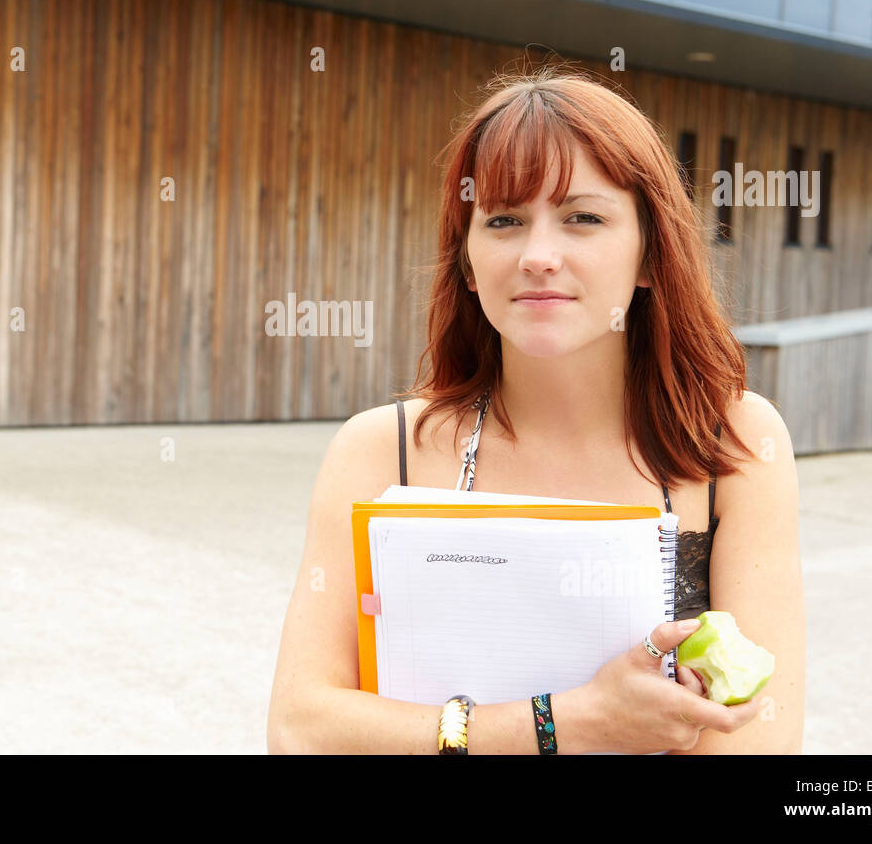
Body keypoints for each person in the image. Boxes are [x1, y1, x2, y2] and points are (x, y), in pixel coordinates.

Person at [266, 65, 806, 754]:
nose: (539, 256)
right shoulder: (380, 449)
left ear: (650, 253)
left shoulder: (733, 442)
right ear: (465, 261)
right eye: (503, 220)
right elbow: (299, 728)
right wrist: (565, 722)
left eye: (583, 217)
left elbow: (759, 739)